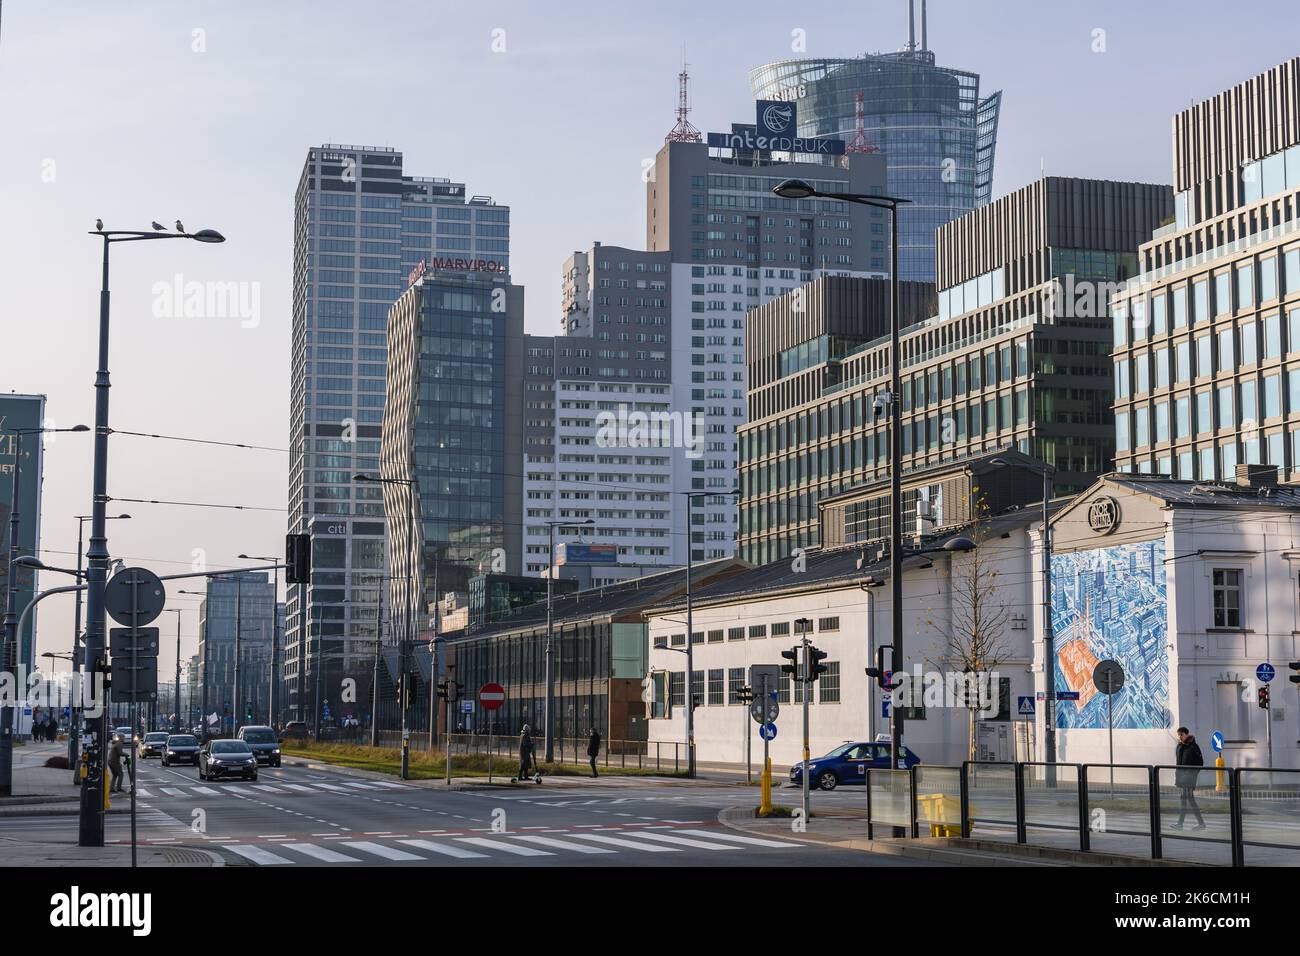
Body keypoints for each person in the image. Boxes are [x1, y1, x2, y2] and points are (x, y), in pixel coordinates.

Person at [1173, 726, 1206, 830]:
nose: (1180, 737)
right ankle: (1200, 824)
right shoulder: (1179, 747)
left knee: (1186, 800)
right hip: (1182, 778)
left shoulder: (1193, 747)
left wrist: (1192, 774)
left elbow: (1200, 763)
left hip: (1189, 778)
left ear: (1186, 734)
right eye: (1179, 735)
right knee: (1188, 800)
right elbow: (1178, 763)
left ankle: (1181, 824)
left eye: (1181, 735)